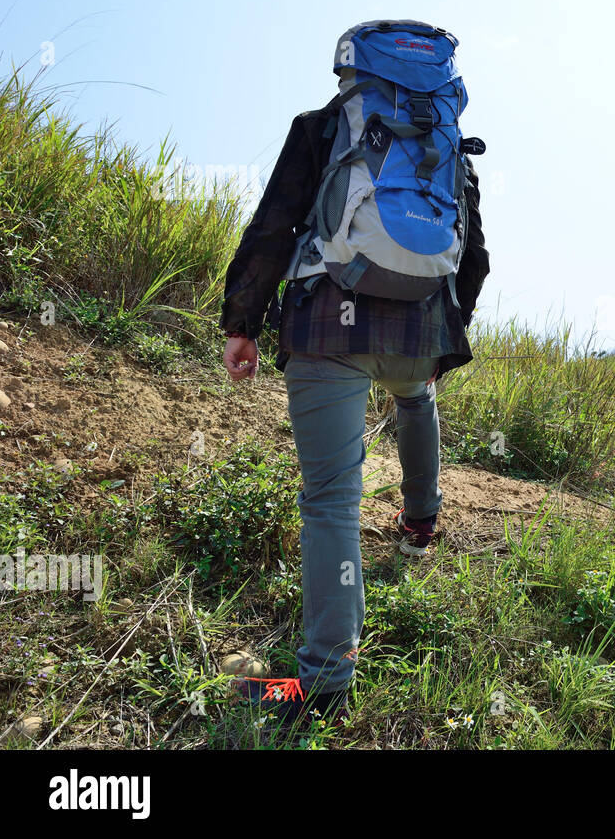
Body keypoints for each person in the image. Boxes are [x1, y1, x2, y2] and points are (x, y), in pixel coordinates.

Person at [217, 40, 489, 727]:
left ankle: (324, 680)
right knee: (416, 395)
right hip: (417, 329)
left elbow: (273, 226)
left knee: (333, 500)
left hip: (328, 331)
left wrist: (242, 322)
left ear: (352, 72)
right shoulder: (448, 146)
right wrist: (445, 342)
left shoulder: (325, 126)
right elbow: (475, 257)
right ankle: (420, 525)